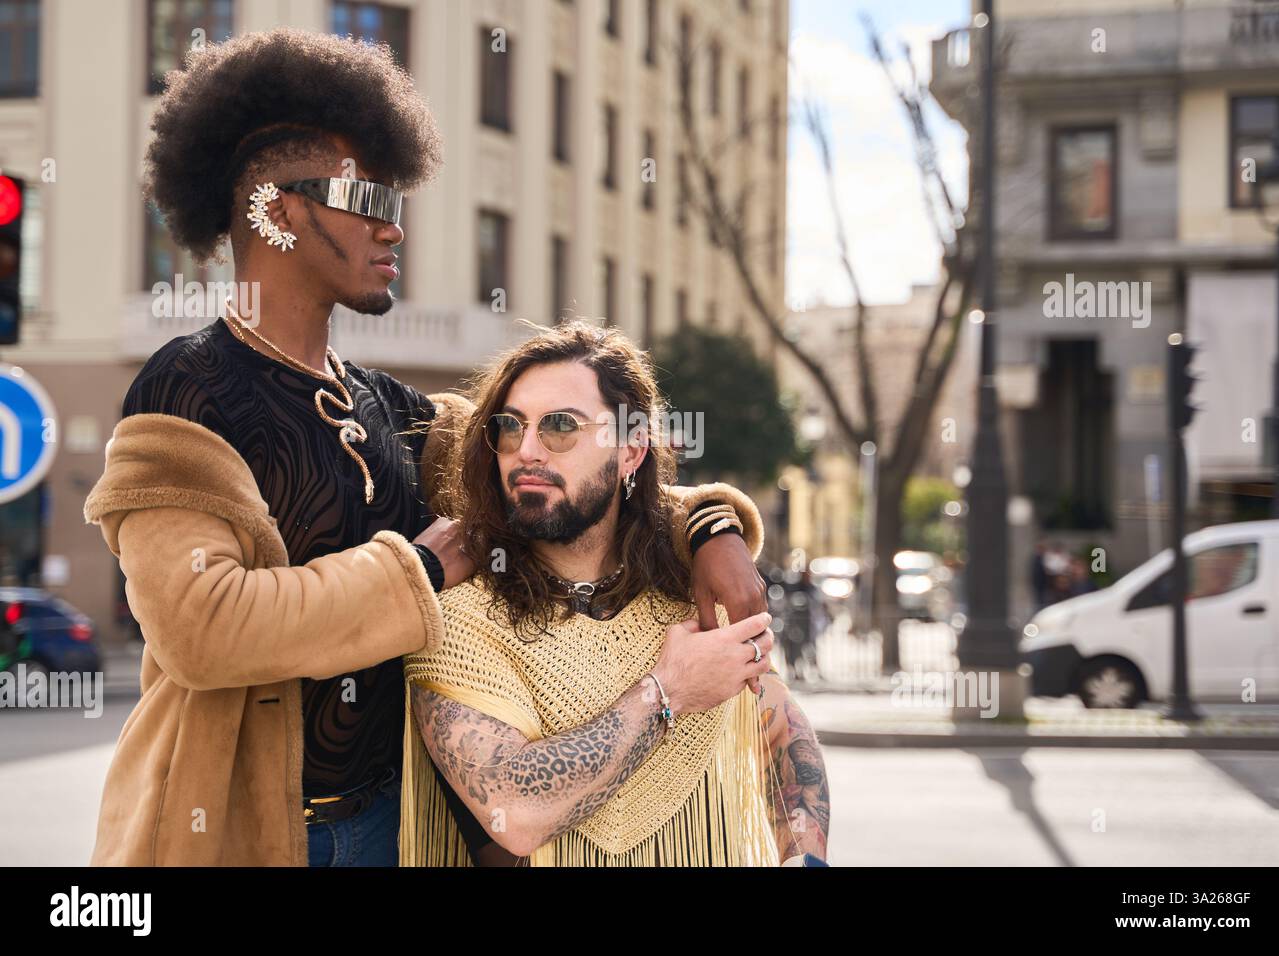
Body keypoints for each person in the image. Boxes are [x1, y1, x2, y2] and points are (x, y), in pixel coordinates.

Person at [82, 29, 768, 866]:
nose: (394, 230)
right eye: (366, 200)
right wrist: (419, 570)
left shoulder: (391, 408)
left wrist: (708, 527)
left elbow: (553, 472)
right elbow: (203, 629)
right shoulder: (184, 388)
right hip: (237, 830)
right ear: (280, 209)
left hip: (396, 828)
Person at [402, 321, 830, 866]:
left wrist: (806, 858)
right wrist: (669, 690)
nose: (527, 450)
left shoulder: (689, 590)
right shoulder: (459, 618)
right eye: (510, 427)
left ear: (631, 451)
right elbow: (514, 809)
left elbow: (777, 727)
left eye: (560, 426)